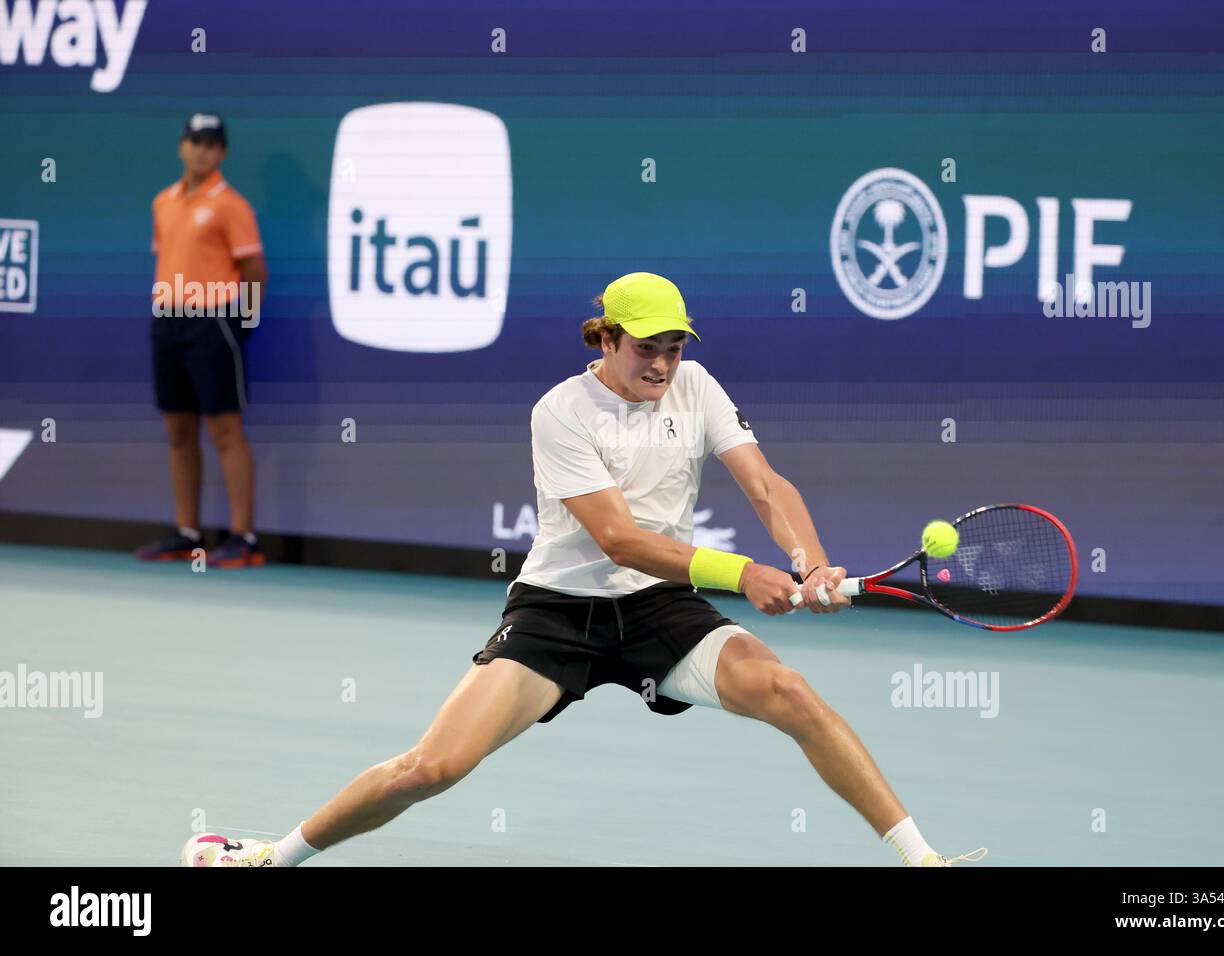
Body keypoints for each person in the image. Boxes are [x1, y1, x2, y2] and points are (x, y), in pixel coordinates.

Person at [181, 272, 985, 867]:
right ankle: (266, 858)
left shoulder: (697, 387)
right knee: (433, 766)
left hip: (662, 611)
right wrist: (742, 574)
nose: (664, 365)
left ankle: (923, 859)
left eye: (674, 348)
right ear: (605, 339)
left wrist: (807, 562)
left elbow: (767, 485)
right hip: (558, 613)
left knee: (791, 693)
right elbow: (621, 540)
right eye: (647, 348)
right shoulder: (561, 412)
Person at [135, 113, 267, 568]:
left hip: (214, 321)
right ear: (182, 146)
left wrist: (240, 323)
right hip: (168, 319)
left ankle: (243, 537)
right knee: (178, 429)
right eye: (196, 141)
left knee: (225, 428)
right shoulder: (163, 202)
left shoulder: (231, 204)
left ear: (222, 153)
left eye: (212, 144)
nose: (202, 150)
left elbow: (254, 271)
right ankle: (187, 533)